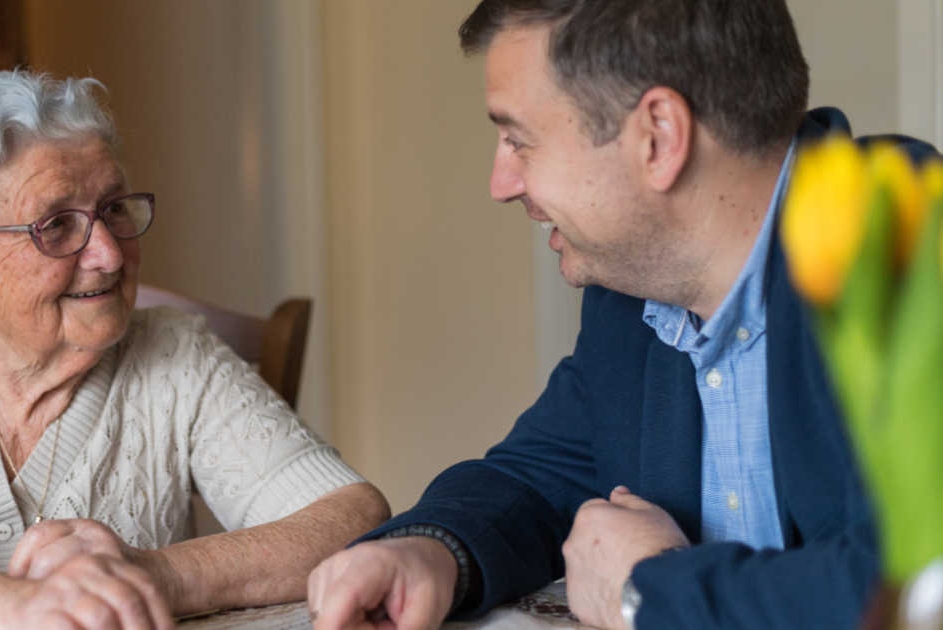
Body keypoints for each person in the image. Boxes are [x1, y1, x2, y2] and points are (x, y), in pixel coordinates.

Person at [307, 1, 937, 630]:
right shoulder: (634, 292)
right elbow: (540, 473)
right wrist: (428, 552)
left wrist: (647, 592)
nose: (501, 182)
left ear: (658, 138)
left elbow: (912, 594)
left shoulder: (911, 248)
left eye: (519, 139)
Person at [0, 70, 390, 630]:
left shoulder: (175, 356)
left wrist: (154, 575)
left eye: (113, 208)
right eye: (56, 224)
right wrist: (20, 608)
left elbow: (354, 516)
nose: (110, 254)